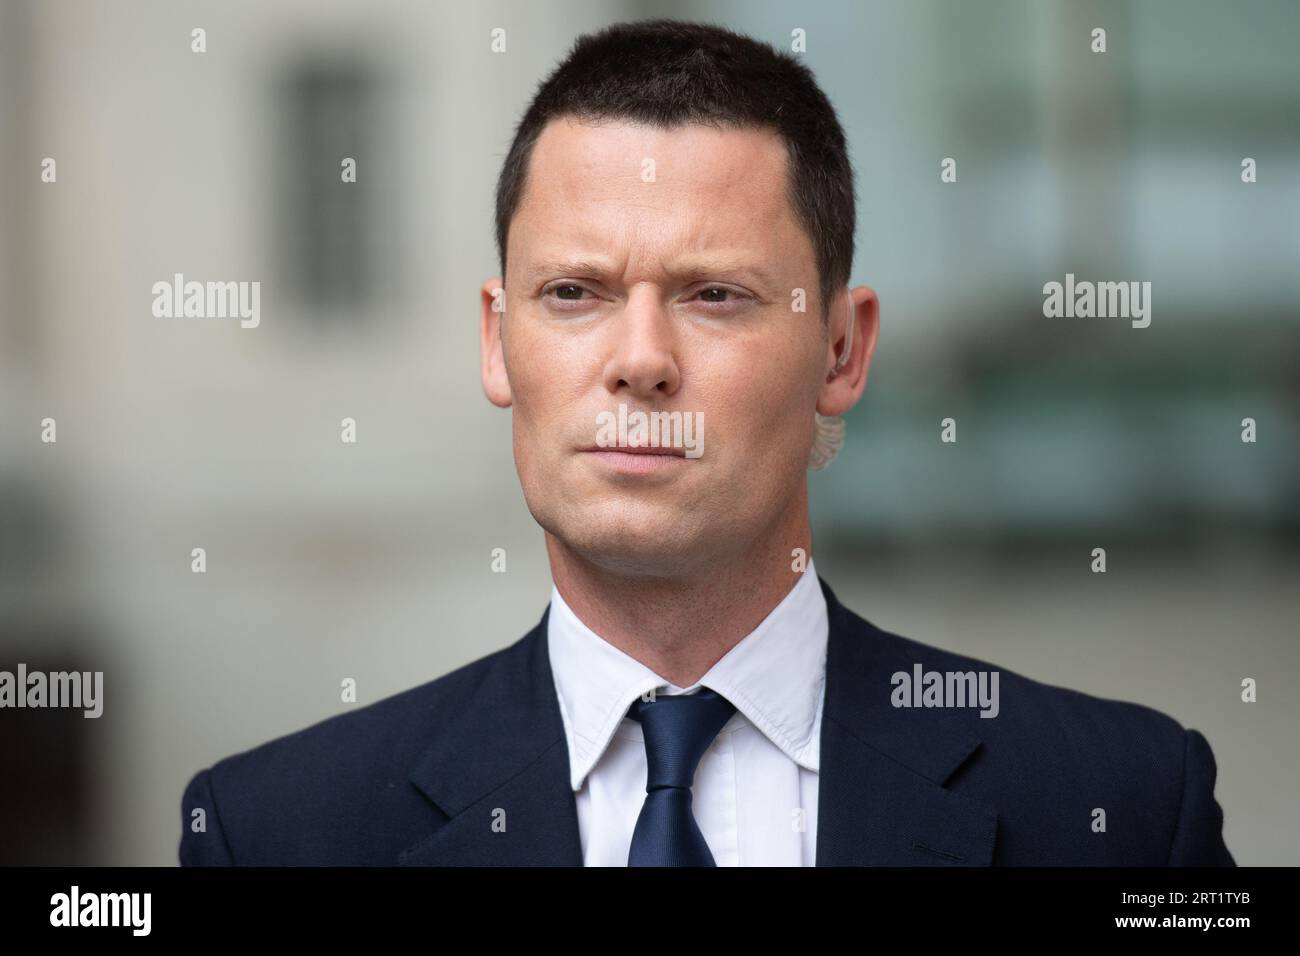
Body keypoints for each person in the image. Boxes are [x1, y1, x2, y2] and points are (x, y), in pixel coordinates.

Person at [180, 18, 1234, 866]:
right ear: (497, 343)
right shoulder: (274, 830)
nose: (641, 359)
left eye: (714, 294)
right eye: (574, 292)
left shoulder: (1122, 806)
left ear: (839, 350)